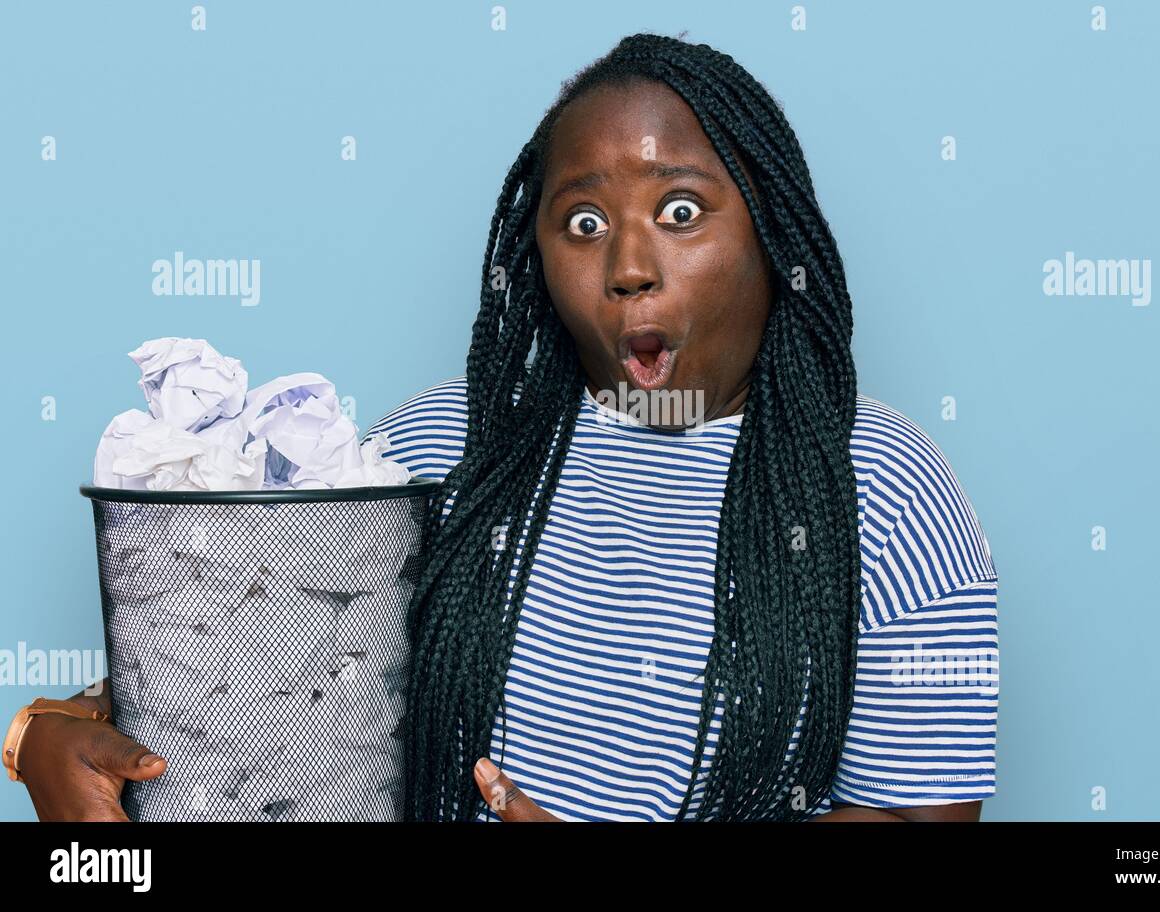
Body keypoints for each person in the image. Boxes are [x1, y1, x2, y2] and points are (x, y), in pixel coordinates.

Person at [14, 32, 999, 822]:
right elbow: (245, 683)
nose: (627, 265)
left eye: (682, 210)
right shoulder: (440, 449)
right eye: (581, 223)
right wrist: (42, 736)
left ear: (771, 235)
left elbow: (920, 820)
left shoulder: (880, 487)